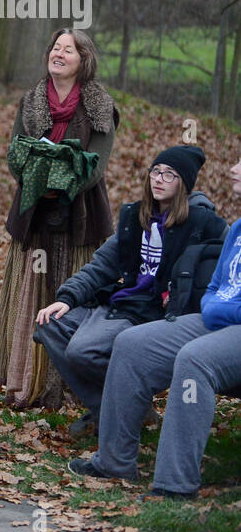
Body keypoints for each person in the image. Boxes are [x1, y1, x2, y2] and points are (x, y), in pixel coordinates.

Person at [69, 155, 241, 498]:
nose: (234, 169)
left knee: (194, 359)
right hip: (217, 319)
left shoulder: (209, 222)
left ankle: (175, 484)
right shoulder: (238, 229)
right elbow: (219, 284)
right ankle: (113, 461)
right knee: (132, 344)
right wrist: (212, 305)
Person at [33, 145, 226, 439]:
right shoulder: (135, 218)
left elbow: (226, 263)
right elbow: (101, 266)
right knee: (50, 324)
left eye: (170, 175)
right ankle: (121, 412)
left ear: (184, 184)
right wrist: (66, 298)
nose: (159, 179)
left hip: (151, 314)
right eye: (156, 171)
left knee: (82, 350)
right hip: (119, 302)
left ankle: (117, 413)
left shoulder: (202, 225)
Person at [0, 29, 117, 410]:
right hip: (34, 213)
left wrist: (61, 183)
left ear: (84, 60)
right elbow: (16, 154)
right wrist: (36, 181)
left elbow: (96, 165)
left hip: (81, 216)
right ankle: (30, 383)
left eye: (69, 50)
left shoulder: (99, 105)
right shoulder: (31, 101)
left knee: (71, 294)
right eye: (55, 48)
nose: (59, 54)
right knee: (33, 293)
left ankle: (72, 385)